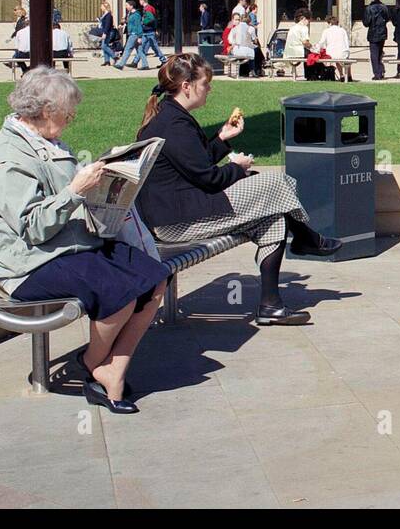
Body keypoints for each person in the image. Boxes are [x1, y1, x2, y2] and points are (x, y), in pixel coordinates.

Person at [0, 68, 169, 413]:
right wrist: (75, 191)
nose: (71, 120)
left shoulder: (42, 140)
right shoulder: (10, 159)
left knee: (155, 279)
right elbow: (33, 227)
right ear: (47, 112)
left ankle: (111, 368)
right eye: (68, 113)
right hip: (30, 265)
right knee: (120, 292)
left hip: (68, 246)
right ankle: (96, 366)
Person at [136, 55, 340, 327]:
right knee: (275, 183)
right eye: (205, 83)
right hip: (175, 222)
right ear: (186, 86)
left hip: (181, 210)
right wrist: (237, 167)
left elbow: (194, 163)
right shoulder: (173, 123)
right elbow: (208, 179)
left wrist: (222, 139)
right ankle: (306, 237)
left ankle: (271, 306)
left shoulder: (171, 115)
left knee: (274, 217)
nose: (209, 88)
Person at [283, 9, 319, 80]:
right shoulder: (304, 28)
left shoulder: (292, 28)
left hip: (288, 52)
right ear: (304, 19)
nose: (308, 22)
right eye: (309, 20)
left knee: (309, 53)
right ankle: (311, 76)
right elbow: (305, 42)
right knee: (313, 55)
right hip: (298, 51)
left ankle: (310, 75)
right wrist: (314, 48)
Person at [363, 0, 391, 80]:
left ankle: (377, 73)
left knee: (374, 55)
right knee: (379, 53)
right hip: (382, 32)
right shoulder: (384, 7)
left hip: (373, 33)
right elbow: (387, 18)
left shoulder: (369, 8)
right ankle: (381, 70)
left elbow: (366, 23)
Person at [115, 1, 150, 70]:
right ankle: (145, 65)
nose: (126, 7)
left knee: (127, 49)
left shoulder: (136, 15)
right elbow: (129, 23)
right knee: (140, 50)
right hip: (133, 34)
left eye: (127, 5)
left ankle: (121, 64)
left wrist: (140, 36)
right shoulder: (130, 14)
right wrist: (122, 25)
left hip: (134, 34)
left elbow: (138, 26)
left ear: (131, 6)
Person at [320, 16, 351, 82]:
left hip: (331, 54)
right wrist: (348, 52)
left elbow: (322, 42)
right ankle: (349, 75)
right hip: (343, 53)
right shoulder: (342, 30)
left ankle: (341, 75)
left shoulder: (326, 31)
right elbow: (346, 43)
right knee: (346, 59)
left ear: (330, 23)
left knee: (337, 59)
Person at [138, 0, 167, 65]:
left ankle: (163, 60)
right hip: (148, 31)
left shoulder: (148, 8)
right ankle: (135, 62)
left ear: (143, 0)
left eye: (140, 0)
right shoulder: (149, 8)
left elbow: (151, 18)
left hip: (149, 31)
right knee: (143, 47)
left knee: (154, 47)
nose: (139, 2)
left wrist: (143, 22)